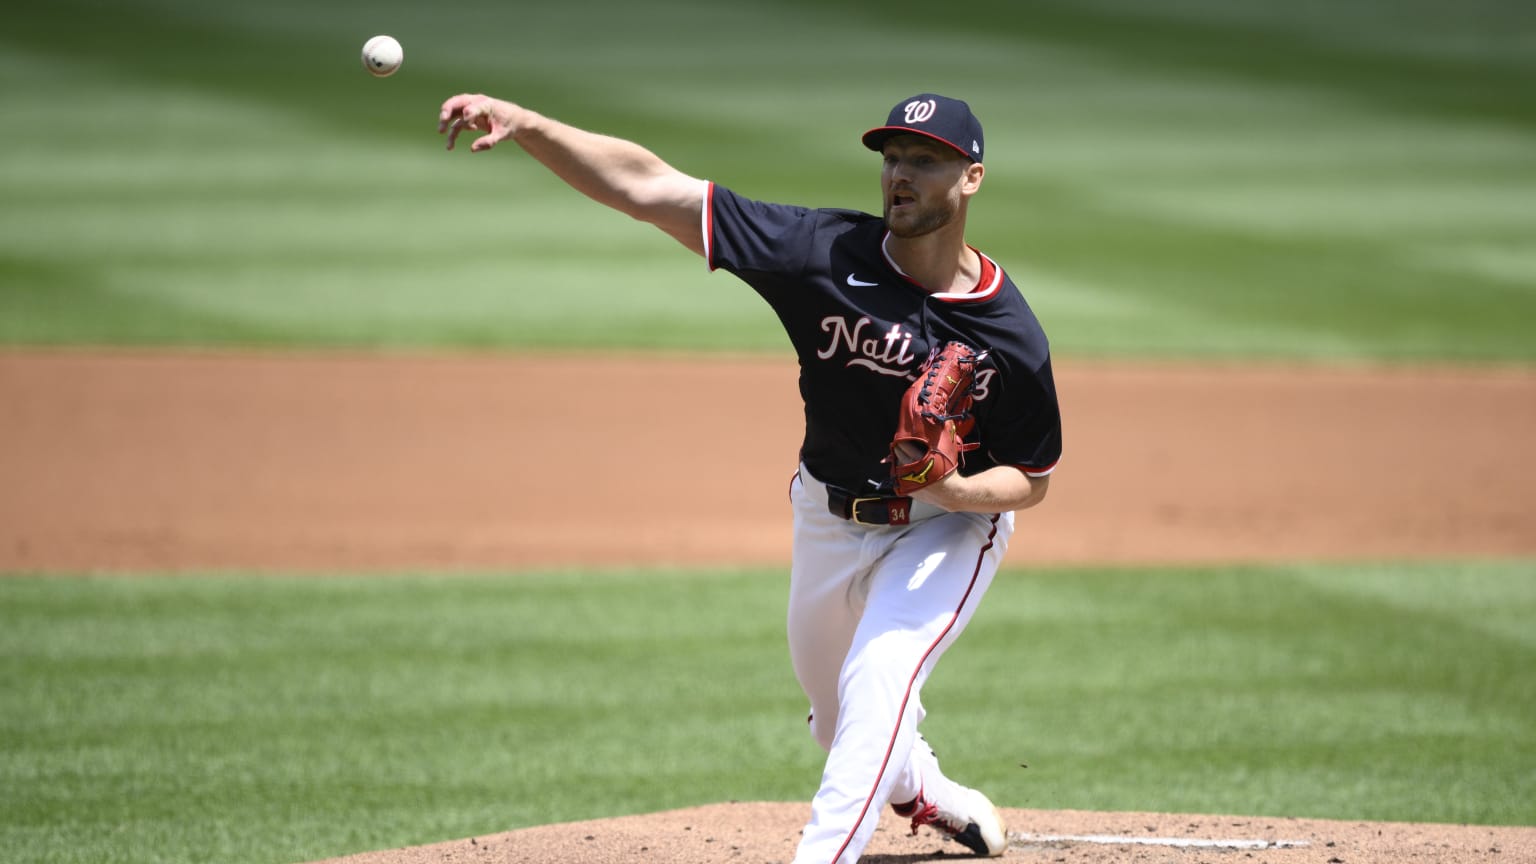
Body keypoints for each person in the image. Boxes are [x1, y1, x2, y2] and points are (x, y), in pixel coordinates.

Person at [438, 91, 1062, 863]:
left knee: (880, 680)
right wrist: (531, 126)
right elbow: (650, 187)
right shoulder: (823, 253)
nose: (900, 174)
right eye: (892, 157)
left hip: (947, 529)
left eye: (924, 160)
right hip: (828, 516)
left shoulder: (1008, 332)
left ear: (970, 178)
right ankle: (923, 791)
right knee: (838, 724)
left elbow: (1030, 477)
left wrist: (954, 492)